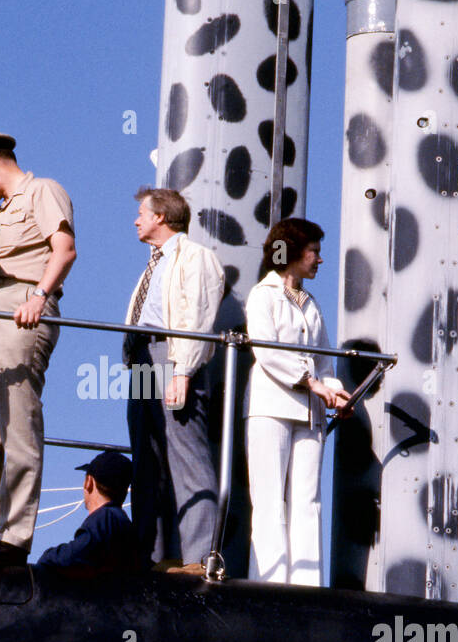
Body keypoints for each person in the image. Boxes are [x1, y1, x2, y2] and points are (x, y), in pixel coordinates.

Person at [0, 133, 77, 565]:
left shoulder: (42, 190)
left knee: (17, 425)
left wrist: (39, 296)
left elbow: (64, 250)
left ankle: (15, 537)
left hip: (22, 304)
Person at [245, 218, 353, 586]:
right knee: (270, 496)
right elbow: (266, 351)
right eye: (314, 252)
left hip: (310, 411)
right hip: (270, 406)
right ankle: (270, 581)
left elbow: (324, 359)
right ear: (292, 252)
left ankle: (307, 583)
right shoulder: (262, 295)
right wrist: (314, 384)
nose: (319, 260)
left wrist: (334, 390)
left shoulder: (311, 304)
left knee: (308, 500)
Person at [123, 187, 224, 571]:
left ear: (161, 217)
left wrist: (182, 370)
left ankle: (200, 556)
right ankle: (156, 554)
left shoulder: (196, 258)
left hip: (170, 355)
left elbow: (195, 316)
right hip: (144, 359)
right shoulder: (154, 263)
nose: (137, 220)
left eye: (142, 213)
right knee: (147, 459)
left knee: (187, 455)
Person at [35, 452, 142, 576]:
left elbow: (76, 555)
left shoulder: (106, 517)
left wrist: (48, 557)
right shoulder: (123, 523)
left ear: (88, 482)